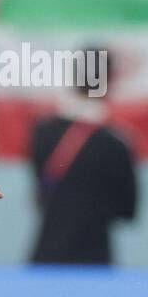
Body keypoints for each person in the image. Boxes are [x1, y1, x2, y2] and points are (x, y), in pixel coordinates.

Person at [29, 48, 137, 265]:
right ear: (109, 81)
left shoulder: (42, 132)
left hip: (47, 253)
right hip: (95, 257)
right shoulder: (116, 143)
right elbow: (128, 210)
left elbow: (39, 192)